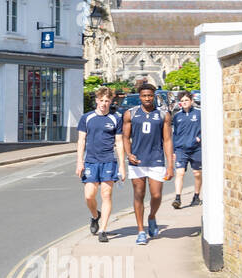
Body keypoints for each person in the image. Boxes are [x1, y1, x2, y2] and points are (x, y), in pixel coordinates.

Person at [121, 82, 173, 244]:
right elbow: (125, 137)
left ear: (154, 96)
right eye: (144, 96)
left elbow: (167, 140)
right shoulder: (131, 114)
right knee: (139, 195)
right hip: (137, 161)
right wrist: (128, 154)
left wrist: (170, 164)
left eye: (150, 95)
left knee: (156, 195)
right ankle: (141, 231)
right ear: (140, 97)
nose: (147, 98)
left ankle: (151, 217)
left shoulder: (163, 115)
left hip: (156, 159)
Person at [76, 87, 127, 244]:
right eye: (101, 100)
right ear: (97, 101)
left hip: (108, 161)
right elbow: (81, 140)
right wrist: (79, 162)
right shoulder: (87, 118)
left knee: (106, 195)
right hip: (91, 161)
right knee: (89, 195)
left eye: (107, 101)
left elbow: (119, 142)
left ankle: (103, 230)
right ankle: (95, 216)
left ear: (111, 102)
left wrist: (122, 166)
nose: (104, 103)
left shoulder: (115, 119)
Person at [171, 90, 202, 209]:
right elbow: (175, 134)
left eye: (186, 100)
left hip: (196, 149)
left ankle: (196, 196)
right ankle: (177, 198)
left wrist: (199, 138)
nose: (184, 103)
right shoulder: (177, 116)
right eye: (182, 101)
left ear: (191, 101)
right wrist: (174, 150)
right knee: (180, 172)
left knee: (197, 173)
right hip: (181, 149)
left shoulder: (199, 114)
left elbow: (206, 128)